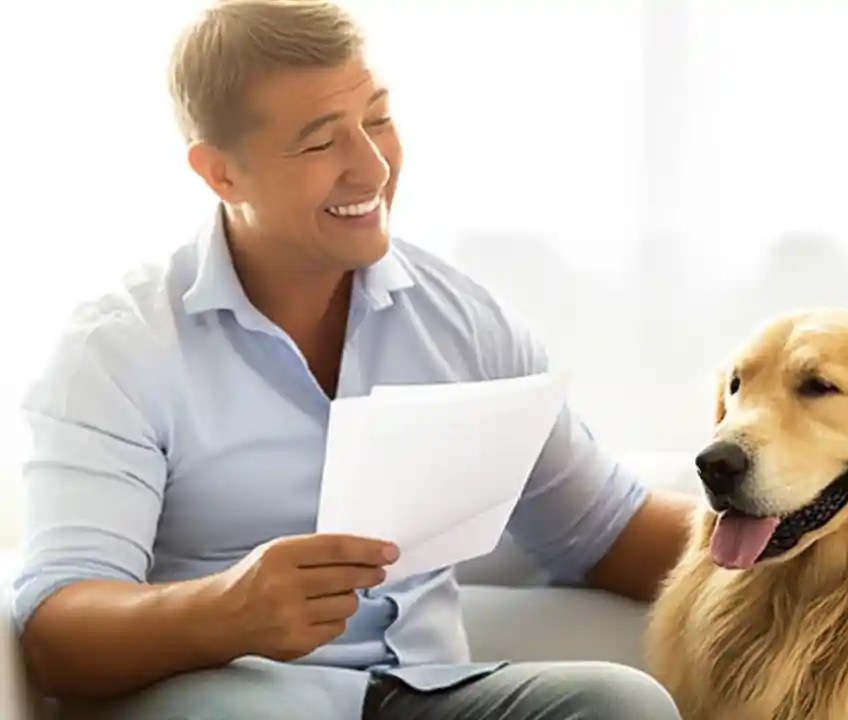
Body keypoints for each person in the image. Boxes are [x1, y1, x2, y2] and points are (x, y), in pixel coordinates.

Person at [9, 1, 695, 718]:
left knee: (621, 703)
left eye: (377, 119)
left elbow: (610, 532)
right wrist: (225, 610)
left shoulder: (463, 324)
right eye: (319, 143)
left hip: (426, 692)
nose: (371, 167)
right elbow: (56, 631)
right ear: (222, 174)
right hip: (233, 695)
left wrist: (807, 533)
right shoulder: (120, 352)